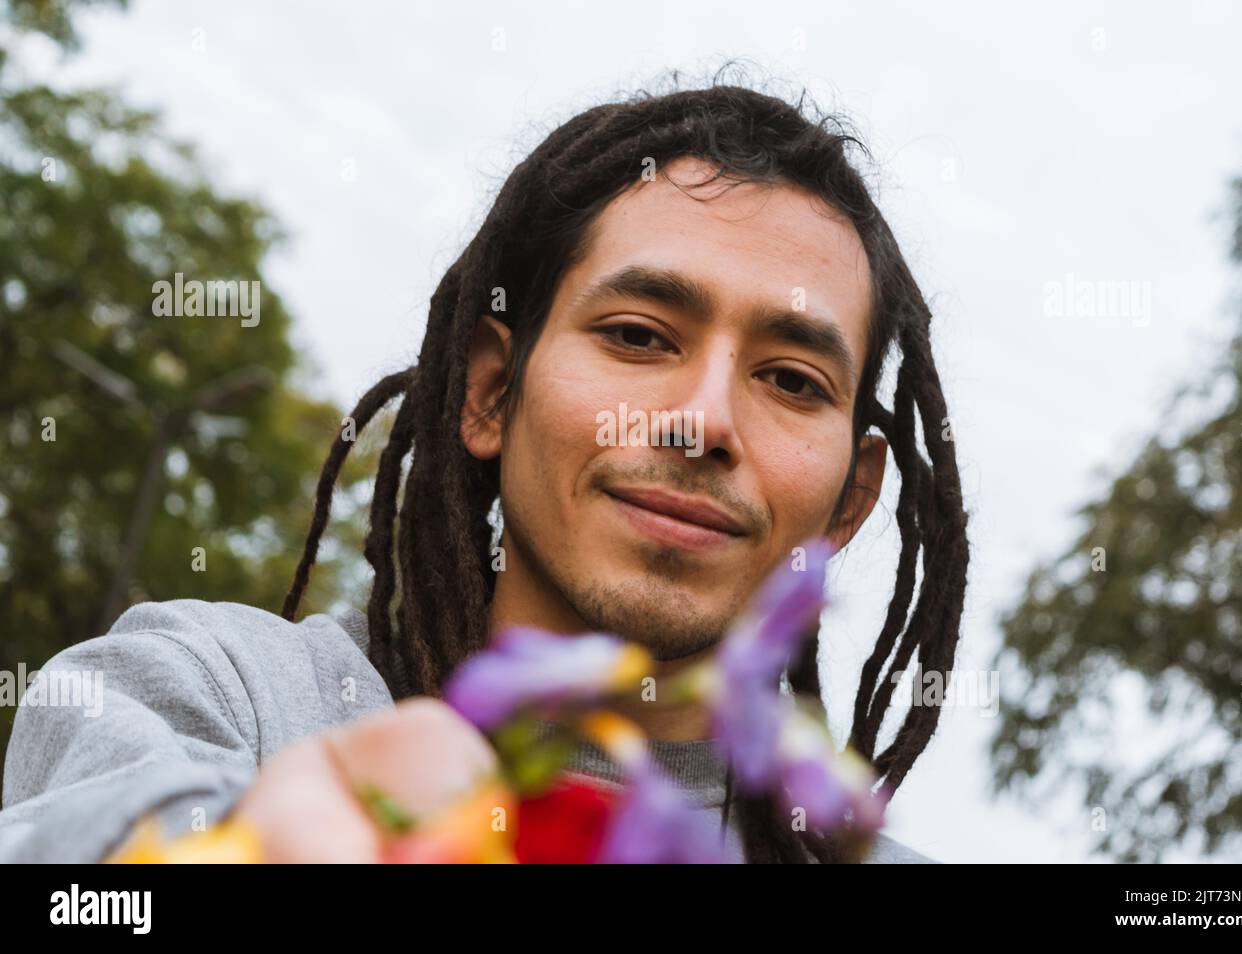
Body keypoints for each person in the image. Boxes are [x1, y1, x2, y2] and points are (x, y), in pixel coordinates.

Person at [0, 80, 968, 864]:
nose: (703, 421)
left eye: (791, 380)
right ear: (491, 394)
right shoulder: (214, 693)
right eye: (638, 335)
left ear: (851, 497)